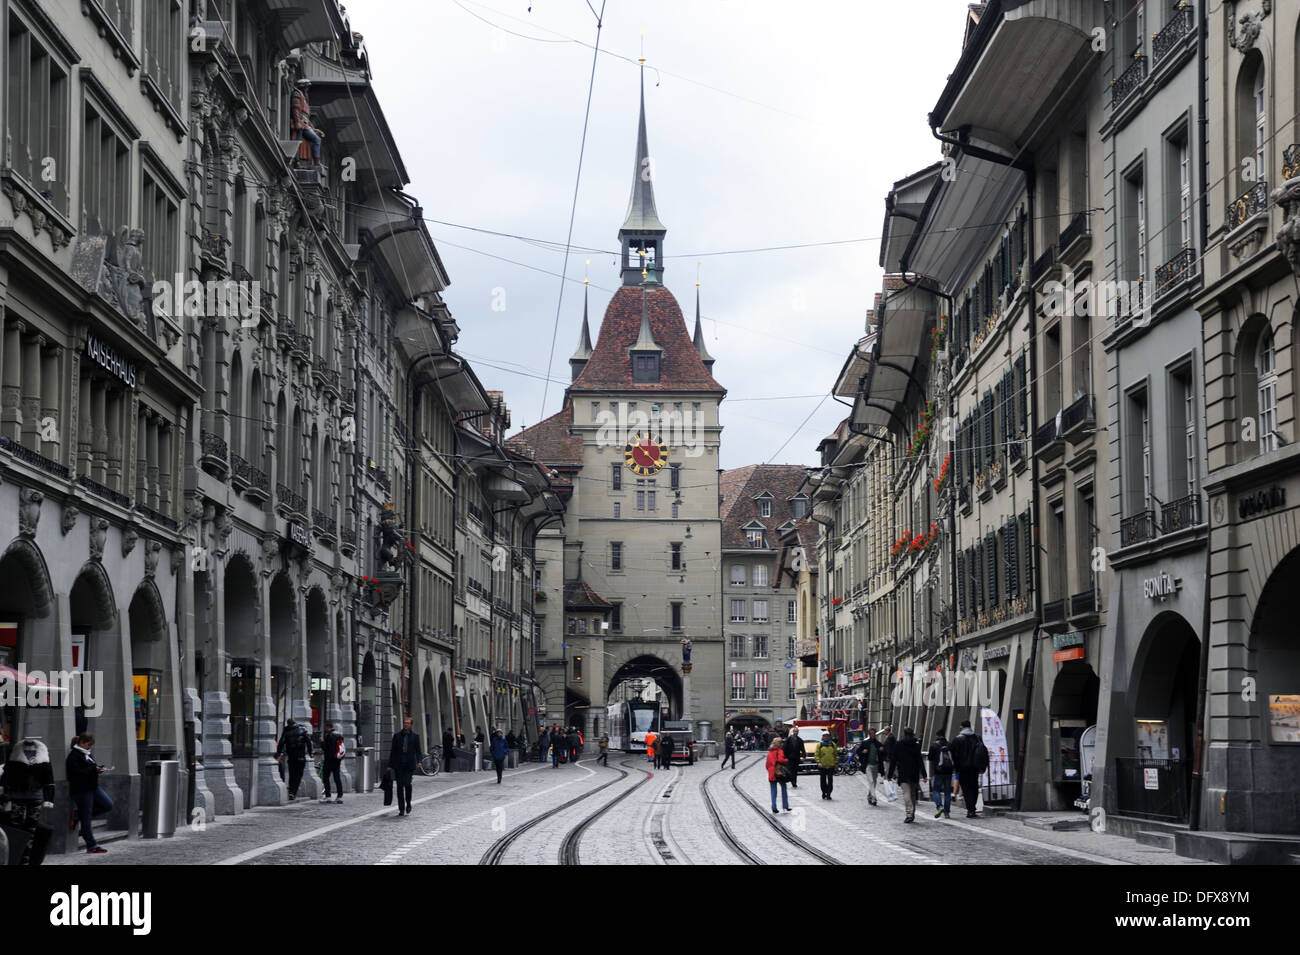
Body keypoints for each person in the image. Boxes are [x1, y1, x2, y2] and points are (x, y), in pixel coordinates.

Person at [66, 734, 112, 854]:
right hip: (82, 789)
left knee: (108, 804)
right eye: (88, 744)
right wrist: (93, 769)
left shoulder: (87, 754)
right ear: (81, 742)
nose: (89, 747)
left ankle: (78, 815)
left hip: (93, 787)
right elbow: (75, 774)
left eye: (90, 745)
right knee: (86, 818)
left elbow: (90, 769)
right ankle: (91, 845)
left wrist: (98, 770)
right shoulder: (74, 756)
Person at [887, 726, 928, 823]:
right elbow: (919, 760)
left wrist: (889, 774)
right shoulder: (916, 745)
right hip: (914, 772)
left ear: (904, 733)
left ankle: (909, 813)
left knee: (906, 793)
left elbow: (894, 760)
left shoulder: (898, 744)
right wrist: (924, 774)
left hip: (903, 771)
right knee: (913, 794)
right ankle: (912, 812)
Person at [949, 719, 989, 818]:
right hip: (975, 767)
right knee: (974, 787)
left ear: (962, 727)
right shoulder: (977, 737)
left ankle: (971, 809)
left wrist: (956, 766)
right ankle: (972, 808)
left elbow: (953, 754)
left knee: (966, 789)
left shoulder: (958, 739)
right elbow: (983, 751)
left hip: (963, 768)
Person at [388, 716, 421, 816]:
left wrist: (419, 761)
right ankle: (401, 808)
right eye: (405, 723)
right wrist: (390, 765)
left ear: (411, 724)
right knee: (399, 787)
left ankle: (408, 803)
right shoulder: (397, 736)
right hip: (399, 765)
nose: (406, 724)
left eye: (408, 723)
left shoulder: (415, 736)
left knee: (407, 784)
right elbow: (393, 751)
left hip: (409, 765)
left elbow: (418, 751)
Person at [276, 717, 312, 800]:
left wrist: (279, 753)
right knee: (298, 775)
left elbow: (281, 742)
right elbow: (309, 742)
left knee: (292, 774)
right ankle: (293, 791)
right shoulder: (302, 729)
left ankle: (291, 791)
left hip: (291, 756)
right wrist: (310, 752)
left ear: (288, 724)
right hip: (301, 756)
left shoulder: (286, 731)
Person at [290, 78, 323, 166]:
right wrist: (297, 122)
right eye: (306, 87)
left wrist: (314, 129)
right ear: (303, 87)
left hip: (304, 124)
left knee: (312, 140)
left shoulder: (304, 98)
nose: (307, 89)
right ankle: (297, 161)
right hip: (300, 123)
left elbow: (306, 117)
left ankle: (316, 162)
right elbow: (295, 109)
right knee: (297, 142)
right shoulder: (297, 94)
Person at [855, 728, 886, 806]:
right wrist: (863, 752)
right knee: (871, 781)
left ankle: (869, 796)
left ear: (875, 734)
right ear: (869, 734)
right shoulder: (865, 743)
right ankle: (874, 797)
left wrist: (882, 750)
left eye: (874, 733)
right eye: (871, 733)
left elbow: (885, 754)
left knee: (874, 782)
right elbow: (857, 752)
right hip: (868, 765)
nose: (872, 734)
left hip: (876, 765)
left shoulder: (878, 744)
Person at [928, 730, 954, 819]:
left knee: (936, 790)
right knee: (947, 792)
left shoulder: (934, 745)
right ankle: (947, 813)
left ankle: (940, 806)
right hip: (949, 772)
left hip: (938, 771)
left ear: (937, 736)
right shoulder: (950, 744)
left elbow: (930, 757)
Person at [765, 737, 792, 814]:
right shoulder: (779, 751)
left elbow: (767, 765)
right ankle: (785, 805)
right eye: (781, 743)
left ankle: (774, 807)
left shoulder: (770, 752)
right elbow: (780, 760)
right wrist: (786, 760)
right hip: (779, 773)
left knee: (773, 791)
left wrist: (770, 770)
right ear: (779, 744)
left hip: (772, 773)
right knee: (783, 788)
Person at [320, 721, 344, 804]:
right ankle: (339, 796)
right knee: (337, 778)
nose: (325, 729)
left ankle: (328, 796)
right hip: (337, 759)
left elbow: (326, 748)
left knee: (326, 778)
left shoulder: (329, 735)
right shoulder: (339, 735)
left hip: (329, 760)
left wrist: (322, 742)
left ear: (328, 727)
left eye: (325, 727)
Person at [814, 731, 838, 800]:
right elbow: (816, 755)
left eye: (827, 736)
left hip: (831, 766)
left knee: (830, 781)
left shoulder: (833, 744)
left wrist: (836, 762)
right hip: (822, 766)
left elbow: (835, 754)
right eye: (824, 736)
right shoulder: (820, 745)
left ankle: (829, 793)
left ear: (829, 737)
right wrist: (818, 762)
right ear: (822, 737)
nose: (826, 737)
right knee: (823, 781)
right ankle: (824, 792)